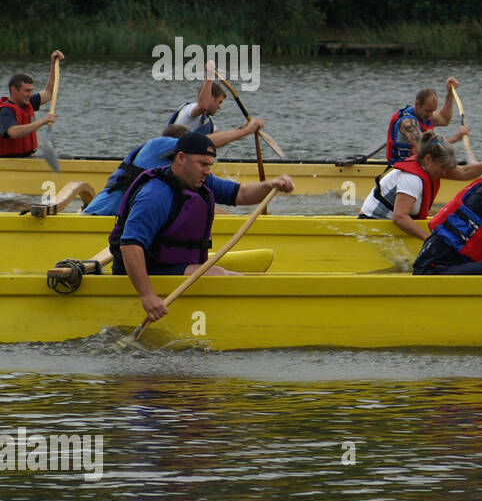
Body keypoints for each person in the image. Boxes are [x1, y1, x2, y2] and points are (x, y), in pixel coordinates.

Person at [108, 132, 294, 321]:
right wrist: (147, 296)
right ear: (180, 158)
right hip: (144, 273)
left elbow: (242, 194)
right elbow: (130, 245)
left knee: (236, 278)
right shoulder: (155, 195)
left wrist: (271, 185)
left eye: (209, 165)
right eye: (202, 164)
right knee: (218, 276)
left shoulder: (201, 181)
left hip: (171, 265)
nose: (207, 171)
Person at [84, 120, 267, 216]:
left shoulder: (181, 174)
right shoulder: (158, 144)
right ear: (179, 154)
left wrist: (272, 185)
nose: (204, 167)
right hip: (100, 216)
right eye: (200, 161)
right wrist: (246, 131)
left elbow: (238, 193)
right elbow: (204, 144)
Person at [360, 131, 482, 240]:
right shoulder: (411, 179)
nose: (445, 172)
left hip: (392, 227)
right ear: (428, 159)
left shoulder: (431, 167)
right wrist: (430, 239)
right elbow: (399, 217)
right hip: (372, 227)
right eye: (443, 167)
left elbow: (464, 172)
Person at [387, 78, 469, 164]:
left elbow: (444, 119)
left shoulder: (425, 115)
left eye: (433, 111)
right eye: (428, 111)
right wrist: (455, 138)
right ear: (417, 105)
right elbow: (423, 149)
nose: (430, 116)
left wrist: (450, 93)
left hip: (417, 164)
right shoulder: (408, 123)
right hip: (400, 168)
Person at [0, 50, 63, 157]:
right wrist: (43, 121)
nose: (30, 94)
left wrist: (53, 65)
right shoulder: (5, 110)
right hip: (8, 162)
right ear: (14, 89)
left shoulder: (27, 103)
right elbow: (13, 133)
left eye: (31, 91)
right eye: (27, 91)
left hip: (27, 157)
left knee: (66, 158)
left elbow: (49, 93)